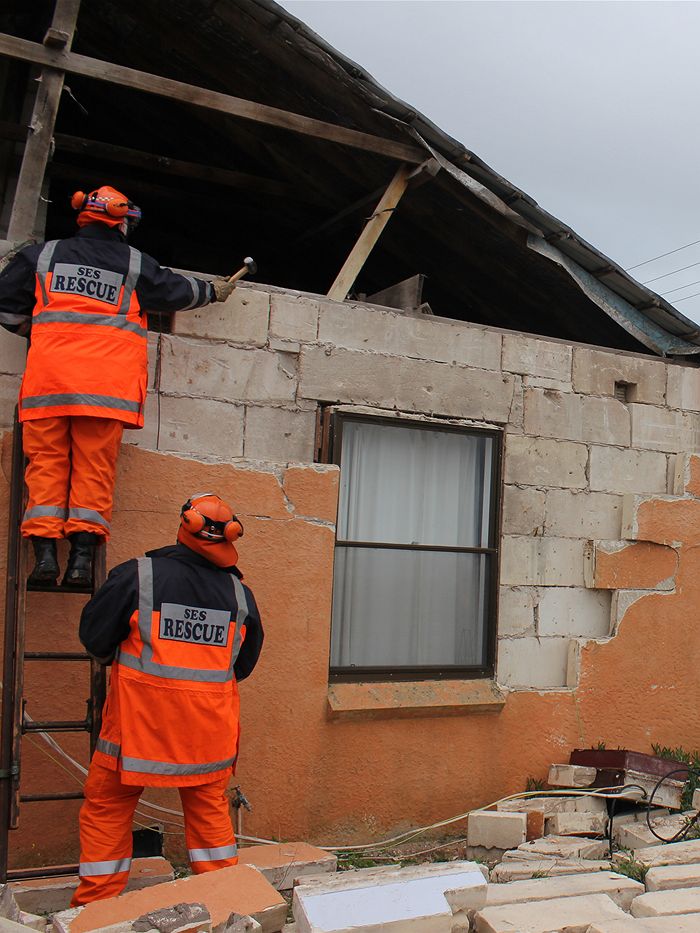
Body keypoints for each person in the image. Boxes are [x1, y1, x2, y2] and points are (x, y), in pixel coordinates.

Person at [0, 187, 237, 587]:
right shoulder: (132, 263)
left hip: (48, 386)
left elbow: (6, 305)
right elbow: (175, 290)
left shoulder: (40, 256)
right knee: (93, 470)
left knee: (44, 466)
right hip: (104, 393)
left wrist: (38, 332)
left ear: (82, 216)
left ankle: (43, 560)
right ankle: (79, 563)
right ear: (122, 222)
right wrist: (213, 291)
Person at [71, 492, 263, 906]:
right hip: (206, 739)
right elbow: (242, 666)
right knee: (209, 821)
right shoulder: (239, 595)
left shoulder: (137, 577)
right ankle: (225, 907)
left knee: (107, 808)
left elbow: (95, 638)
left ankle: (96, 911)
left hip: (134, 733)